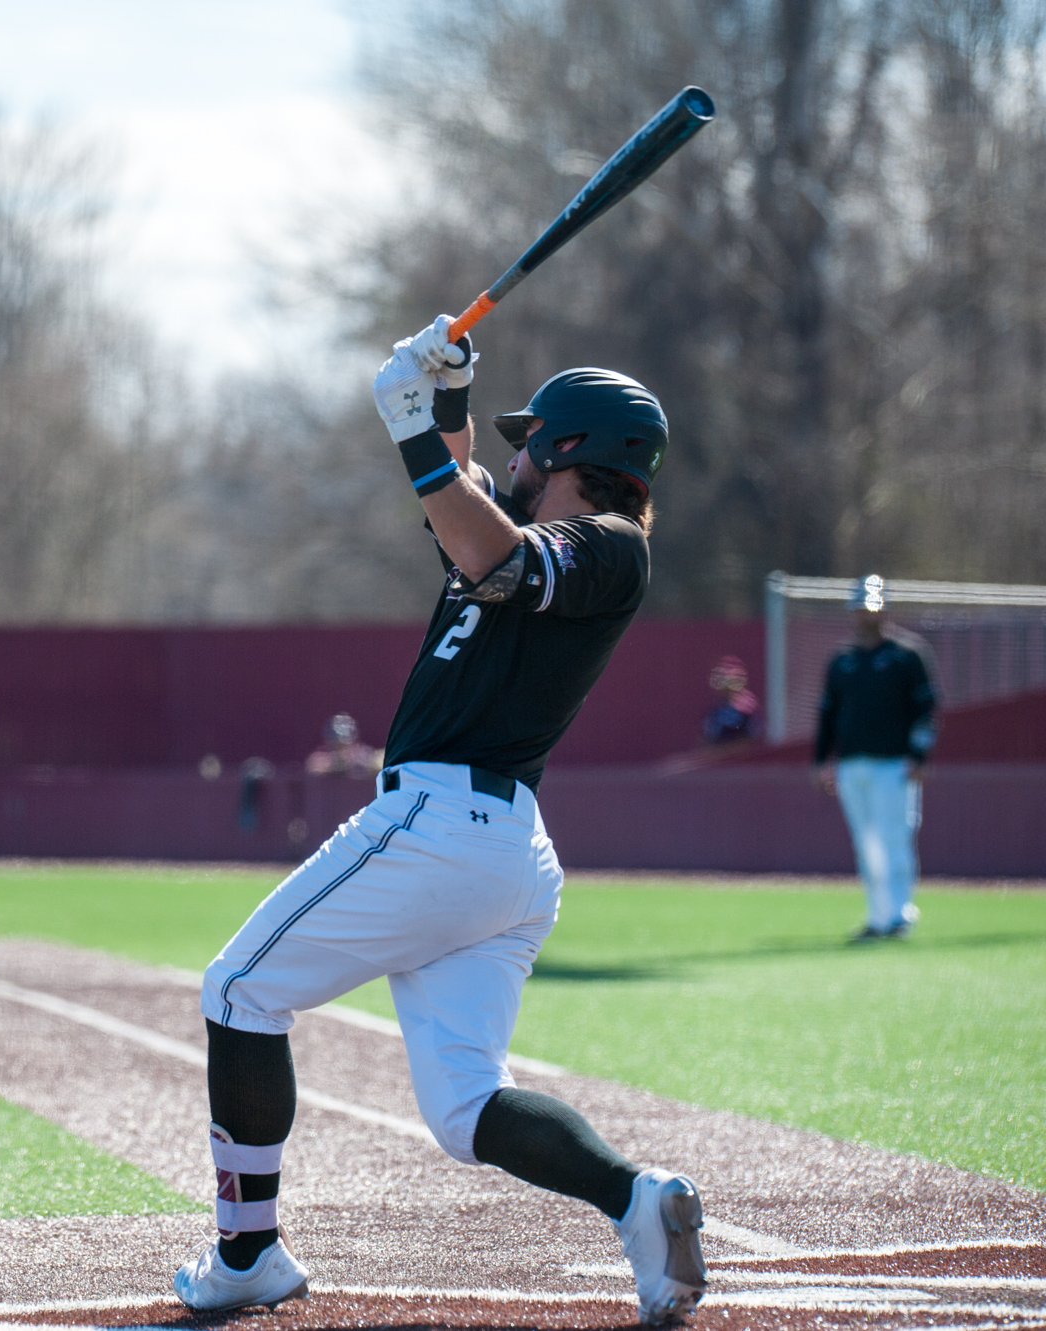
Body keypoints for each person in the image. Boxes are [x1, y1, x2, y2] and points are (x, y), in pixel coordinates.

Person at [172, 317, 708, 1326]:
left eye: (525, 441)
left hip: (441, 823)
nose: (510, 456)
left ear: (565, 454)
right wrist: (444, 399)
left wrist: (412, 428)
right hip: (490, 847)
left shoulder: (606, 548)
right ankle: (637, 1201)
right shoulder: (533, 537)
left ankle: (245, 1253)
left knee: (238, 988)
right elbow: (462, 524)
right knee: (466, 1109)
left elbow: (493, 552)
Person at [811, 576, 938, 941]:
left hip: (893, 764)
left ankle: (900, 914)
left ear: (884, 611)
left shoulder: (907, 655)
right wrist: (822, 760)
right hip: (853, 764)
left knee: (895, 838)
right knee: (866, 844)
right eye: (861, 609)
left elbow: (926, 710)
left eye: (873, 609)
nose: (867, 616)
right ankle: (878, 915)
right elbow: (827, 713)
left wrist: (919, 755)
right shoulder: (843, 660)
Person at [701, 656, 760, 746]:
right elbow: (712, 735)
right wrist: (735, 711)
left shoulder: (752, 705)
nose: (731, 674)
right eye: (727, 668)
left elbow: (759, 735)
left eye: (737, 669)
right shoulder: (712, 710)